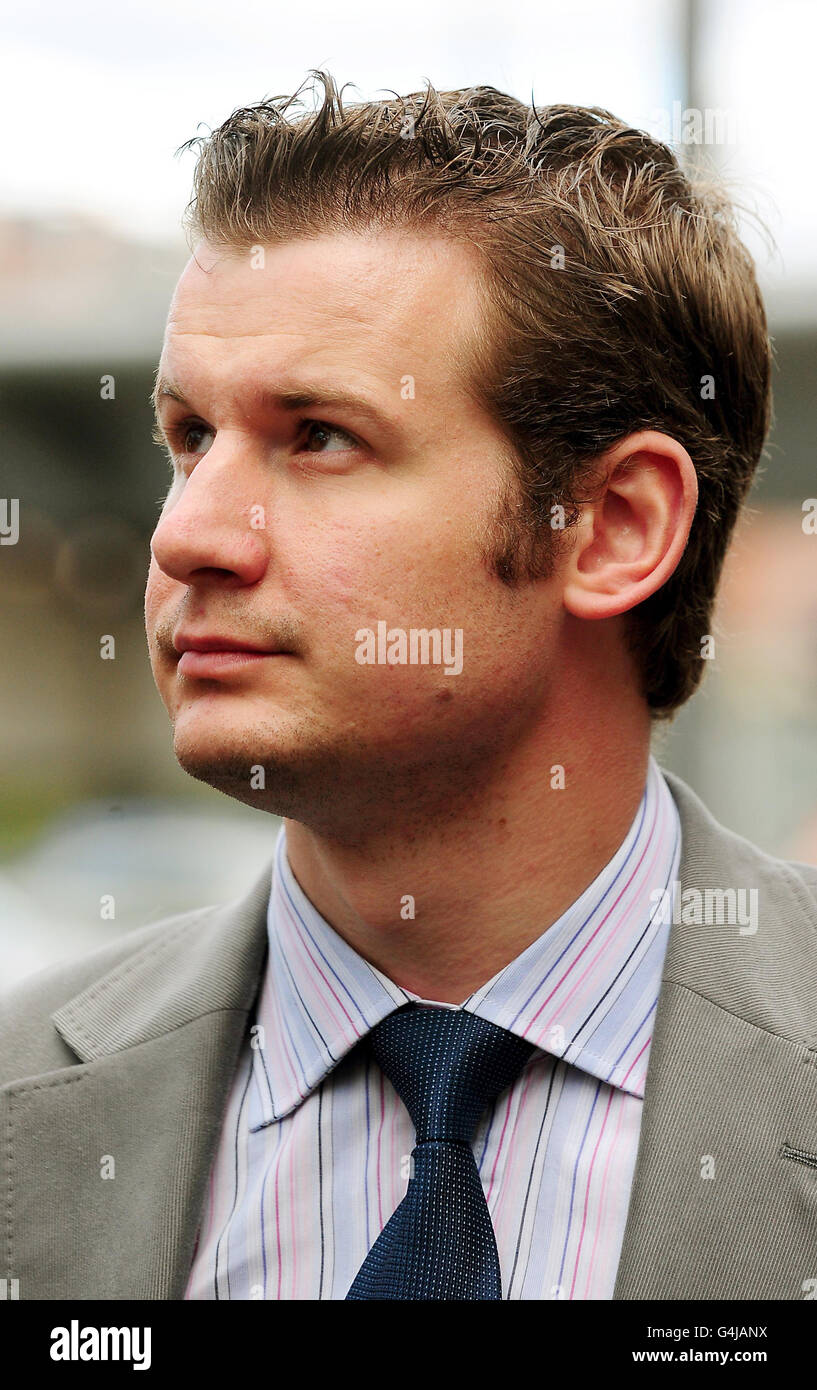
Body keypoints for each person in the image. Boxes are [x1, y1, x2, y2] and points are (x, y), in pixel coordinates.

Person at [2, 71, 816, 1302]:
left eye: (320, 436)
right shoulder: (25, 1096)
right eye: (188, 439)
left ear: (608, 527)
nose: (184, 537)